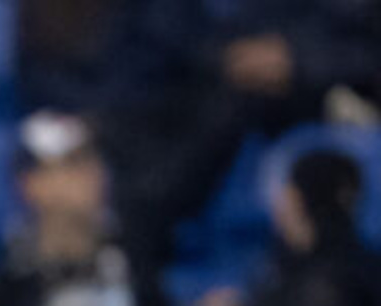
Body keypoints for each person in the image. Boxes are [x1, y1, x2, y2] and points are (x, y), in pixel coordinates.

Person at [92, 0, 381, 266]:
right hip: (201, 164)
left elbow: (362, 45)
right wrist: (224, 57)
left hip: (327, 139)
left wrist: (300, 59)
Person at [0, 112, 179, 306]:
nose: (94, 174)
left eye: (95, 161)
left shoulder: (127, 251)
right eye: (73, 164)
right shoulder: (13, 265)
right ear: (32, 185)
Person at [194, 145, 381, 306]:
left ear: (301, 201)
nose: (279, 207)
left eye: (289, 196)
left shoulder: (353, 274)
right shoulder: (280, 266)